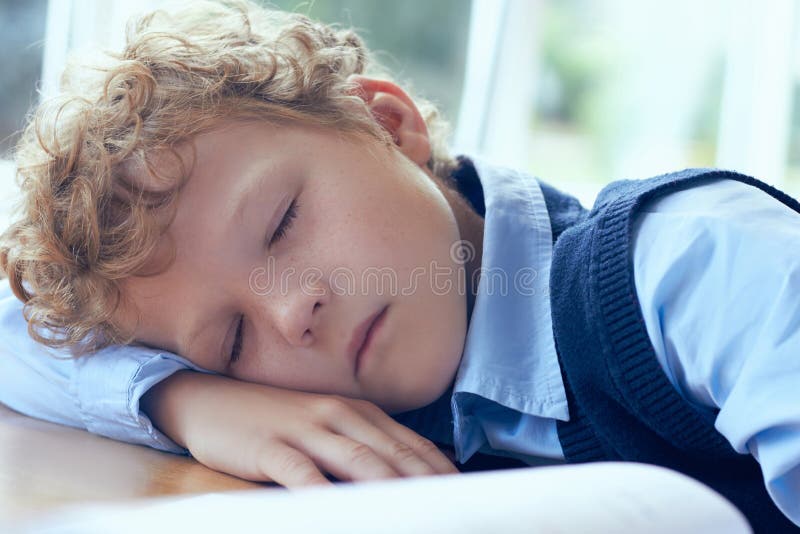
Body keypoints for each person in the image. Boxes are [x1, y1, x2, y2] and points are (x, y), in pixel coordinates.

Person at [0, 0, 798, 530]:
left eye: (282, 224)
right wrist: (189, 401)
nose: (290, 314)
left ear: (387, 123)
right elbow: (15, 335)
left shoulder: (693, 266)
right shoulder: (327, 406)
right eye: (232, 340)